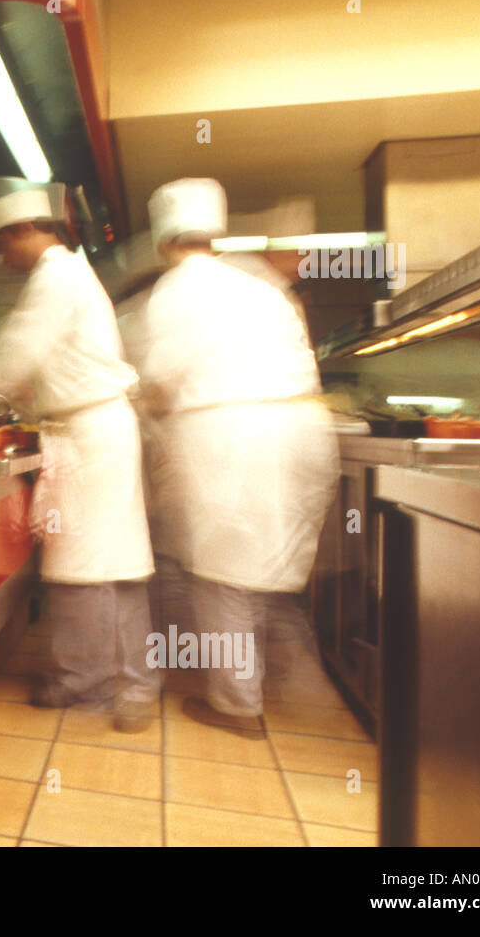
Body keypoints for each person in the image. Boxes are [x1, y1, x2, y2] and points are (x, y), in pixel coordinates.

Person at [139, 178, 338, 721]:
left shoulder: (174, 290)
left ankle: (237, 702)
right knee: (264, 572)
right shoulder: (258, 287)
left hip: (232, 441)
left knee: (221, 575)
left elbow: (159, 385)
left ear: (163, 241)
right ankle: (300, 687)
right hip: (303, 433)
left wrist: (141, 411)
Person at [0, 189, 158, 729]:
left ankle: (87, 684)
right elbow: (38, 365)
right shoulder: (72, 273)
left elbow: (14, 357)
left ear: (21, 230)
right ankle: (131, 685)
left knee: (82, 564)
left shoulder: (56, 277)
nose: (0, 258)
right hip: (94, 429)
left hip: (90, 435)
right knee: (114, 563)